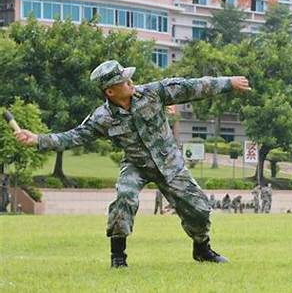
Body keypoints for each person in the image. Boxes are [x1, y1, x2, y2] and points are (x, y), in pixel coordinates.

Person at [14, 60, 251, 267]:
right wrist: (37, 139)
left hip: (170, 163)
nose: (131, 81)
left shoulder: (153, 93)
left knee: (199, 208)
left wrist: (228, 82)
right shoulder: (102, 118)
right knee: (124, 197)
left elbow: (191, 86)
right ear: (110, 91)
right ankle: (118, 257)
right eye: (124, 81)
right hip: (136, 165)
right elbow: (73, 136)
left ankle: (202, 249)